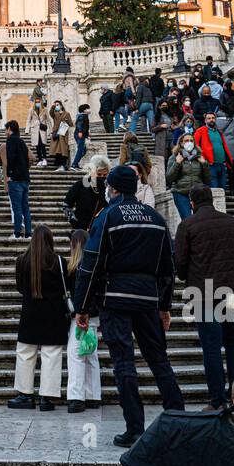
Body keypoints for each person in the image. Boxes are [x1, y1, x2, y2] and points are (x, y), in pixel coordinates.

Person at [72, 165, 184, 447]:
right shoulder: (156, 219)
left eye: (108, 185)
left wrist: (81, 307)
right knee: (159, 361)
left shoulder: (108, 215)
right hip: (147, 299)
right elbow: (167, 269)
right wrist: (165, 306)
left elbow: (91, 263)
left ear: (114, 188)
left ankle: (135, 427)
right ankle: (179, 419)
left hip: (115, 298)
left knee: (124, 363)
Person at [174, 184, 234, 411]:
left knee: (211, 347)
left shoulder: (187, 225)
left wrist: (186, 275)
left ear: (191, 203)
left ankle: (218, 400)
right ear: (212, 200)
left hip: (203, 293)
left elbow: (179, 262)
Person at [7, 225, 70, 411]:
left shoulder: (22, 261)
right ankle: (46, 398)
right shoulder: (59, 261)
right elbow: (64, 287)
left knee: (25, 354)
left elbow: (20, 288)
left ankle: (25, 395)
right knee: (52, 355)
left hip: (30, 313)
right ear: (50, 240)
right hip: (54, 314)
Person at [63, 228, 101, 413]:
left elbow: (79, 293)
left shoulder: (78, 267)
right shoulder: (94, 263)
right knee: (90, 353)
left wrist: (79, 311)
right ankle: (94, 395)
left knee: (76, 355)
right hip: (94, 315)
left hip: (81, 315)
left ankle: (76, 397)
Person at [0, 120, 33, 240]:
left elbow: (11, 158)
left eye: (6, 129)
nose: (5, 132)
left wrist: (9, 174)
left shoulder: (11, 140)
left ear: (10, 129)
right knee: (25, 207)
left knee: (16, 207)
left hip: (15, 179)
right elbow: (28, 159)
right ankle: (28, 233)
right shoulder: (22, 142)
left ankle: (17, 233)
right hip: (25, 179)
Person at [166, 133, 211, 220]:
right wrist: (177, 163)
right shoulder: (175, 157)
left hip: (198, 193)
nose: (189, 142)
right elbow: (169, 178)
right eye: (186, 141)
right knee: (187, 219)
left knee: (201, 219)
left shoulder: (199, 157)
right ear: (181, 143)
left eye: (191, 140)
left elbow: (208, 179)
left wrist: (204, 164)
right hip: (181, 193)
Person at [64, 155, 109, 230]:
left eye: (104, 175)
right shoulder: (80, 185)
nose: (102, 177)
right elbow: (66, 205)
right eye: (99, 174)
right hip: (81, 229)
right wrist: (73, 220)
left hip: (102, 229)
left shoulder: (109, 188)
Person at [193, 111, 233, 189]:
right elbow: (195, 146)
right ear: (205, 120)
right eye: (209, 118)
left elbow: (224, 146)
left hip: (221, 163)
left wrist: (228, 160)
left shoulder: (218, 131)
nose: (211, 120)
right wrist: (203, 160)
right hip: (210, 165)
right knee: (213, 187)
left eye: (213, 118)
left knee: (223, 187)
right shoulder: (200, 131)